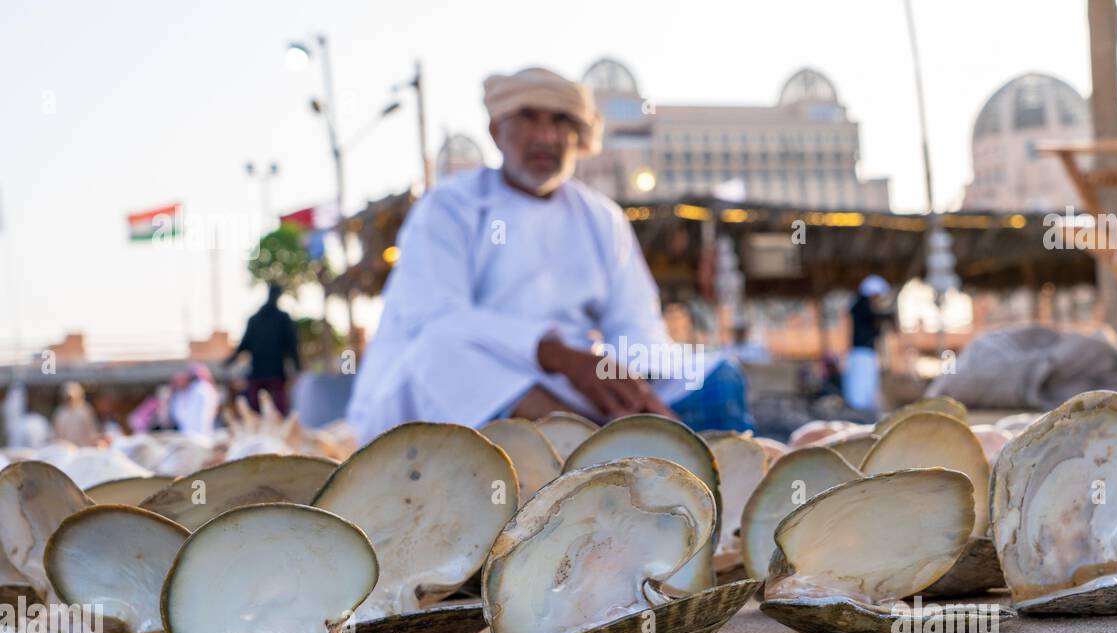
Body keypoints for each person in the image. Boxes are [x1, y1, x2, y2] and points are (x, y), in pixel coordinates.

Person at [347, 67, 753, 443]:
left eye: (560, 120)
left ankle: (683, 474)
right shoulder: (449, 207)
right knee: (442, 353)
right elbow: (436, 318)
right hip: (467, 389)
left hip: (576, 389)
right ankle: (595, 457)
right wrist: (557, 356)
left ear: (579, 135)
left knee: (714, 374)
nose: (545, 136)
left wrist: (636, 386)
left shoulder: (601, 217)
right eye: (528, 117)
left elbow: (635, 326)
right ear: (495, 130)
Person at [225, 283, 301, 415]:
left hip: (259, 374)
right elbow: (292, 346)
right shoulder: (282, 319)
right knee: (277, 412)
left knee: (258, 412)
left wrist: (229, 361)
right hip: (274, 375)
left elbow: (243, 345)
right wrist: (298, 367)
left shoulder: (255, 320)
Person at [843, 275, 894, 414]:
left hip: (866, 353)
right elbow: (875, 316)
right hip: (861, 353)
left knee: (867, 386)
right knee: (860, 387)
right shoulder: (861, 306)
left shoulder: (861, 306)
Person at [168, 363, 220, 437]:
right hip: (188, 435)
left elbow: (204, 415)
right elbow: (179, 417)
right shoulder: (181, 395)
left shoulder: (202, 388)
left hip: (201, 435)